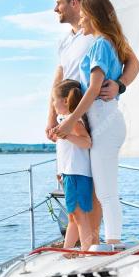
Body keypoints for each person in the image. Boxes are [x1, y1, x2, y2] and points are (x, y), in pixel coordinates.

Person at [45, 0, 139, 244]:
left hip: (91, 116)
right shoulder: (66, 43)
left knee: (98, 186)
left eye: (59, 3)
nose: (55, 8)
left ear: (76, 4)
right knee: (75, 179)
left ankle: (95, 243)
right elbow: (58, 80)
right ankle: (86, 244)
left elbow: (134, 63)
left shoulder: (100, 37)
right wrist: (52, 117)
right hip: (73, 119)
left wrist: (120, 84)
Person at [52, 79, 96, 250]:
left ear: (64, 101)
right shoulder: (65, 120)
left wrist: (67, 135)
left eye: (54, 100)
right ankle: (68, 250)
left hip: (77, 174)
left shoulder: (73, 121)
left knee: (80, 216)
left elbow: (87, 142)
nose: (53, 103)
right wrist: (61, 172)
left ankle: (86, 252)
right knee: (73, 216)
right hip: (70, 174)